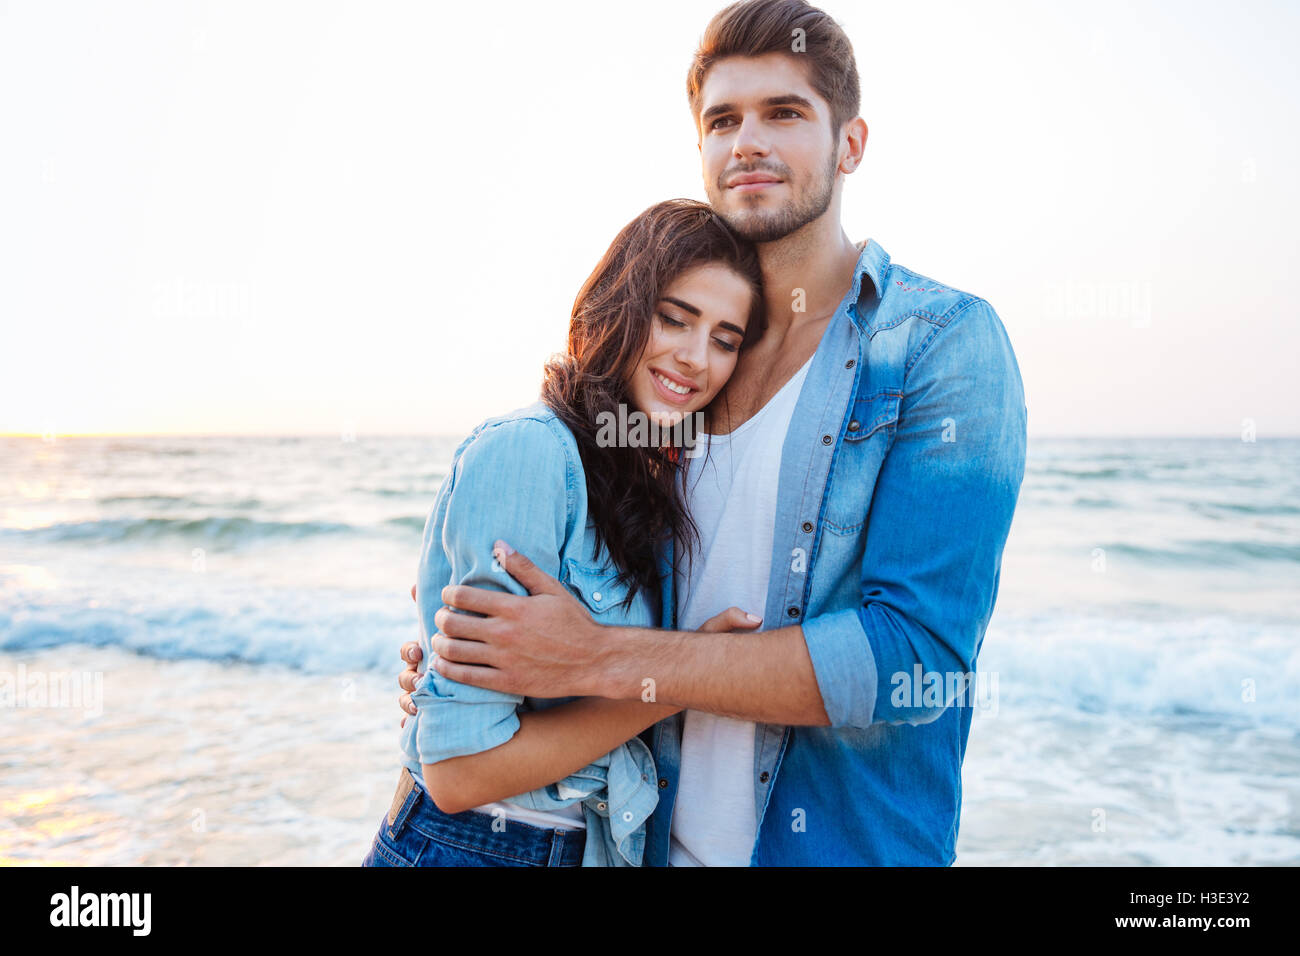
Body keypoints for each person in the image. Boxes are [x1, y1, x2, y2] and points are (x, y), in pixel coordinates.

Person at [399, 0, 1028, 866]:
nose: (749, 142)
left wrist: (599, 662)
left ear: (850, 144)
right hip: (633, 845)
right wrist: (473, 677)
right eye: (722, 119)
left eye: (785, 113)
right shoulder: (679, 376)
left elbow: (912, 662)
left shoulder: (939, 343)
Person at [364, 198, 767, 867]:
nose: (697, 359)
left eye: (725, 340)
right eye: (675, 319)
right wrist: (680, 681)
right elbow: (460, 774)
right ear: (618, 307)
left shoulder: (649, 473)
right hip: (478, 849)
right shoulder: (531, 452)